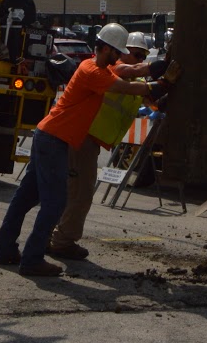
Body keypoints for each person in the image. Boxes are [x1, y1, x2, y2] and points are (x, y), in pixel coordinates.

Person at [0, 22, 152, 279]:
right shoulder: (95, 72)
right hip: (55, 139)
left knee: (25, 198)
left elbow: (134, 73)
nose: (118, 56)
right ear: (108, 49)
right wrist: (159, 83)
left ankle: (6, 251)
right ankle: (32, 259)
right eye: (117, 51)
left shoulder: (94, 67)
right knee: (55, 203)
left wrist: (156, 71)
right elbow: (130, 86)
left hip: (49, 136)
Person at [48, 30, 152, 261]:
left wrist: (161, 89)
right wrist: (156, 72)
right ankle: (62, 242)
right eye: (135, 54)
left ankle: (52, 237)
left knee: (72, 190)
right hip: (84, 138)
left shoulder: (132, 79)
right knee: (81, 193)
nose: (139, 60)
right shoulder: (112, 70)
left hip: (91, 141)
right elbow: (130, 73)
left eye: (143, 56)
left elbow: (147, 96)